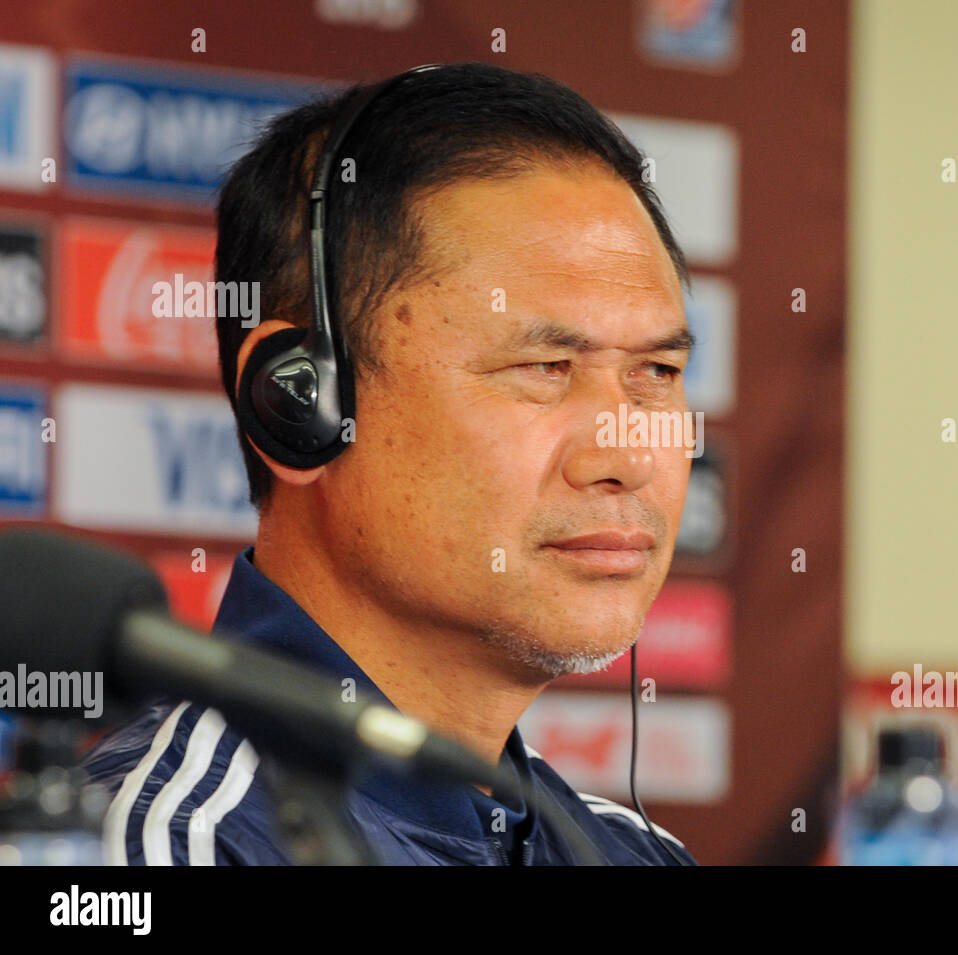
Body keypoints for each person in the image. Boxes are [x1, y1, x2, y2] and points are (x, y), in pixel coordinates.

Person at [83, 61, 698, 865]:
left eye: (656, 373)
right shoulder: (157, 850)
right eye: (544, 369)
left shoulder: (637, 854)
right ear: (297, 403)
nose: (626, 456)